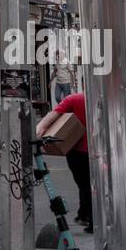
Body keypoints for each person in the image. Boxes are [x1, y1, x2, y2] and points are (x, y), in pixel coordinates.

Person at [36, 89, 92, 231]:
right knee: (92, 184)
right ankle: (84, 214)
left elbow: (53, 115)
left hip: (76, 150)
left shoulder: (74, 99)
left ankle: (88, 217)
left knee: (83, 183)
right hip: (99, 150)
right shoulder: (104, 99)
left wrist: (40, 131)